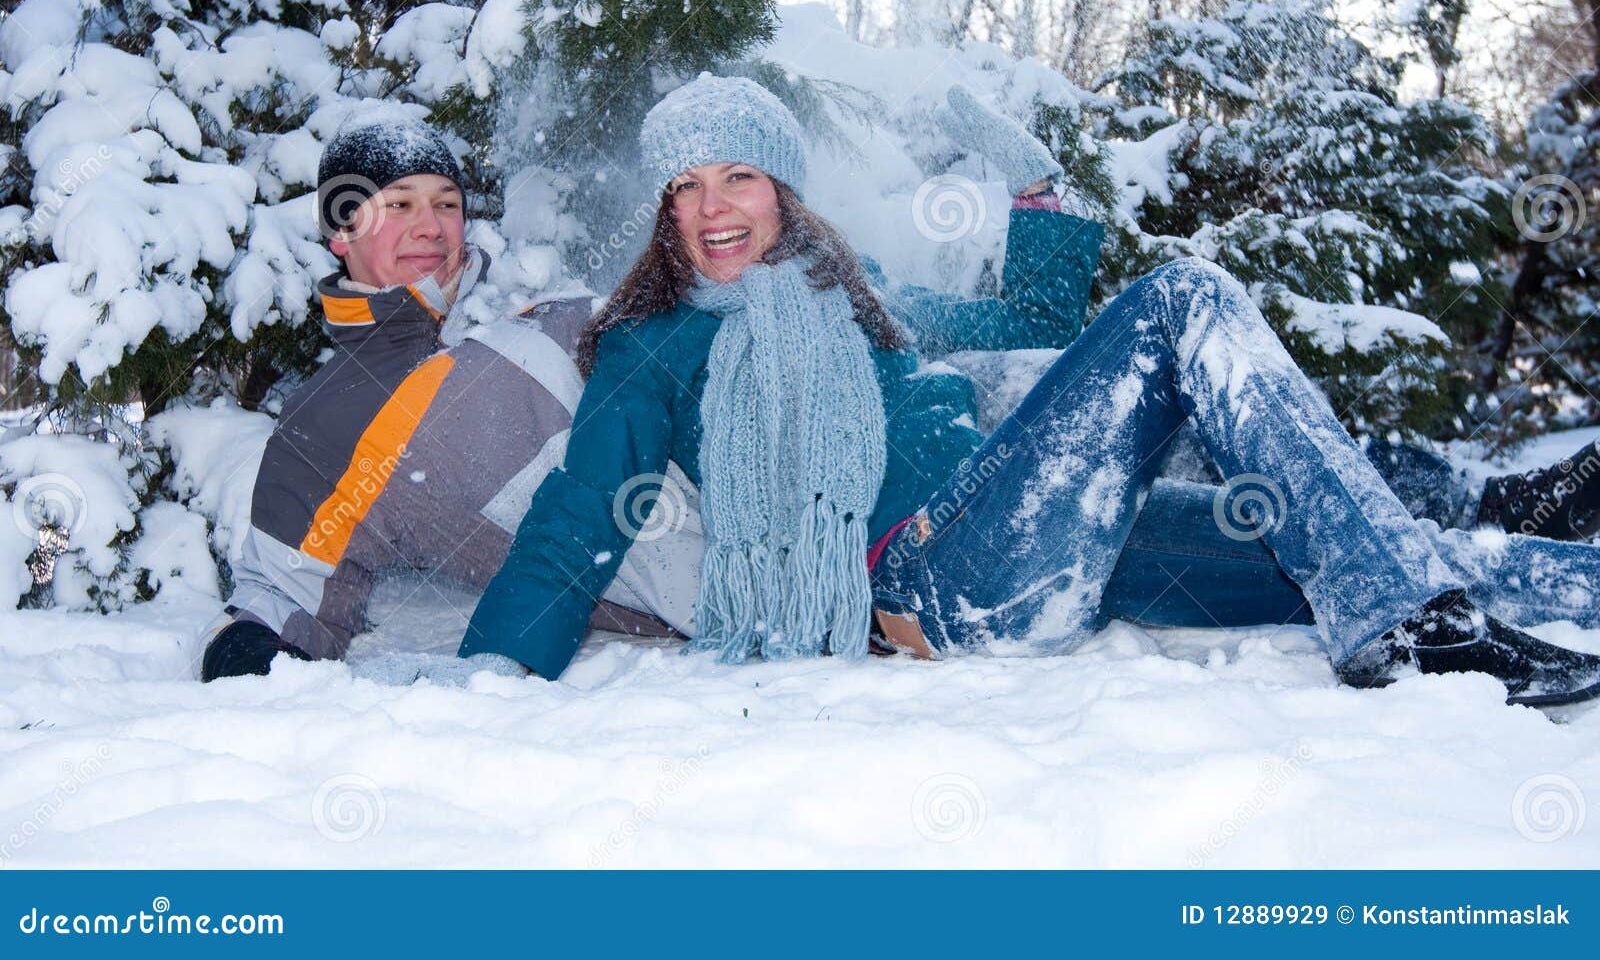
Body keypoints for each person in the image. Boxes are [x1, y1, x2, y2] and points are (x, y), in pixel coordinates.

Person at [458, 75, 1600, 708]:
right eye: (686, 184)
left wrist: (1038, 189)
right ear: (665, 207)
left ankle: (1454, 588)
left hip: (1037, 534)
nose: (711, 205)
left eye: (739, 175)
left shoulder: (860, 297)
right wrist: (493, 674)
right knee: (1181, 298)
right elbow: (577, 518)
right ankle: (1408, 628)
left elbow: (1042, 334)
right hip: (926, 580)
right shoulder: (653, 343)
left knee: (1343, 541)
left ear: (785, 189)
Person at [199, 117, 701, 682]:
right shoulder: (335, 417)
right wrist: (244, 650)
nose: (431, 228)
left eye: (446, 204)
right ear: (341, 234)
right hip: (717, 588)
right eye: (399, 206)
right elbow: (283, 586)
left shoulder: (545, 304)